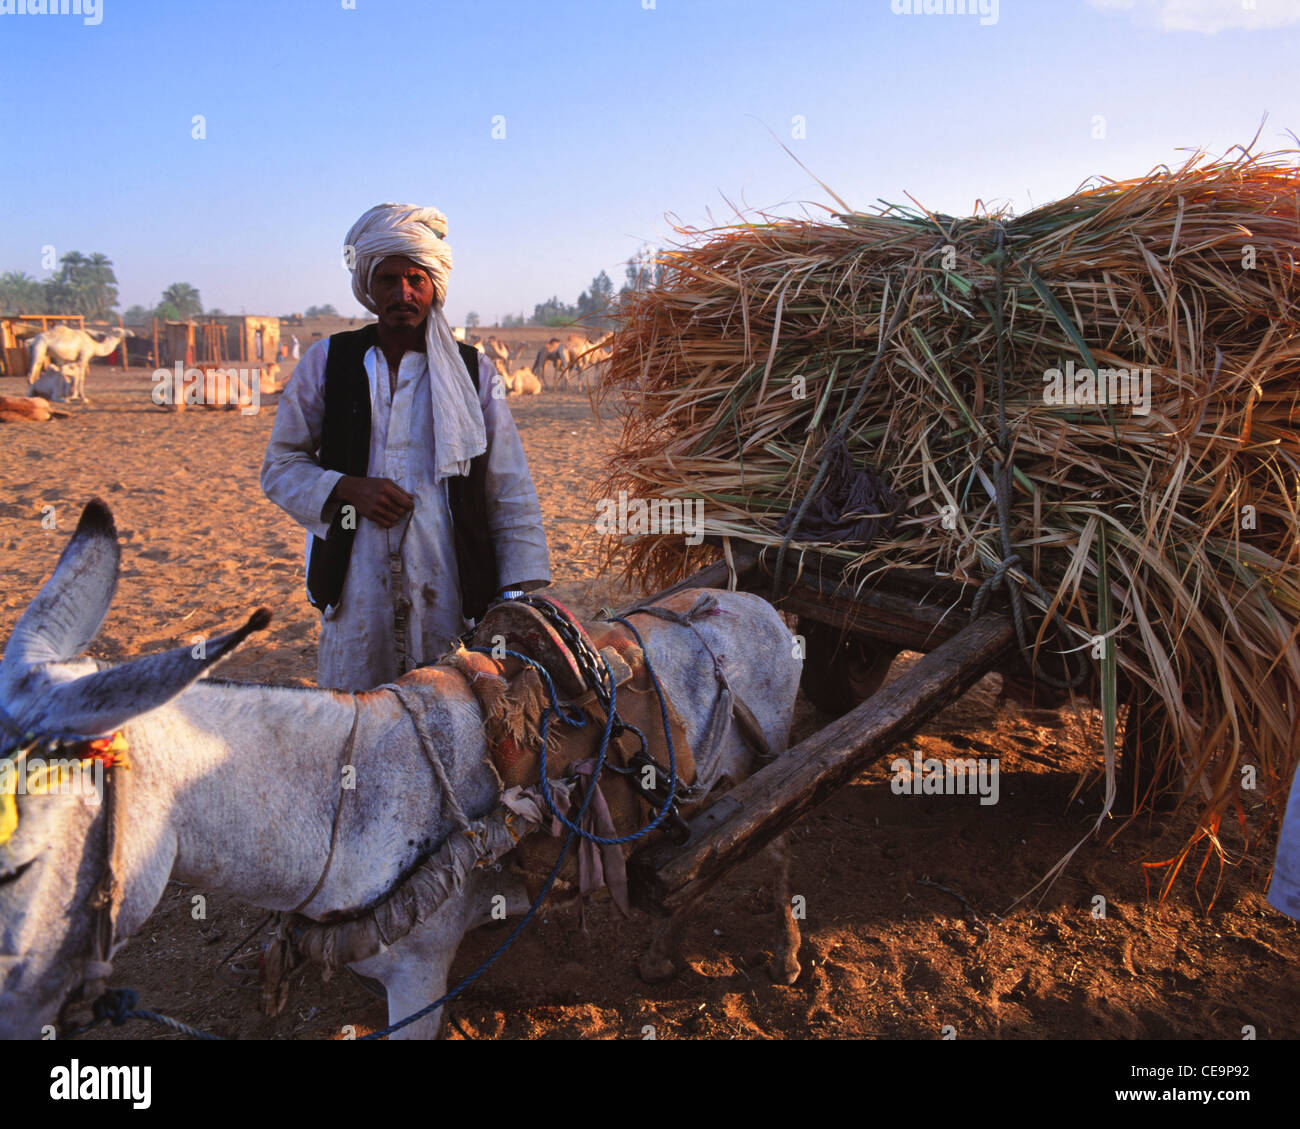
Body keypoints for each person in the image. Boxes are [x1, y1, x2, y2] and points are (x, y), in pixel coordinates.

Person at [261, 202, 551, 691]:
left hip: (450, 584)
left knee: (445, 710)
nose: (403, 293)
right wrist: (347, 488)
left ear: (434, 285)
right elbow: (280, 466)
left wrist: (514, 592)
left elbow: (508, 485)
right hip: (355, 583)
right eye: (388, 279)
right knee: (357, 710)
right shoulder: (327, 362)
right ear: (368, 287)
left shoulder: (474, 372)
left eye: (416, 279)